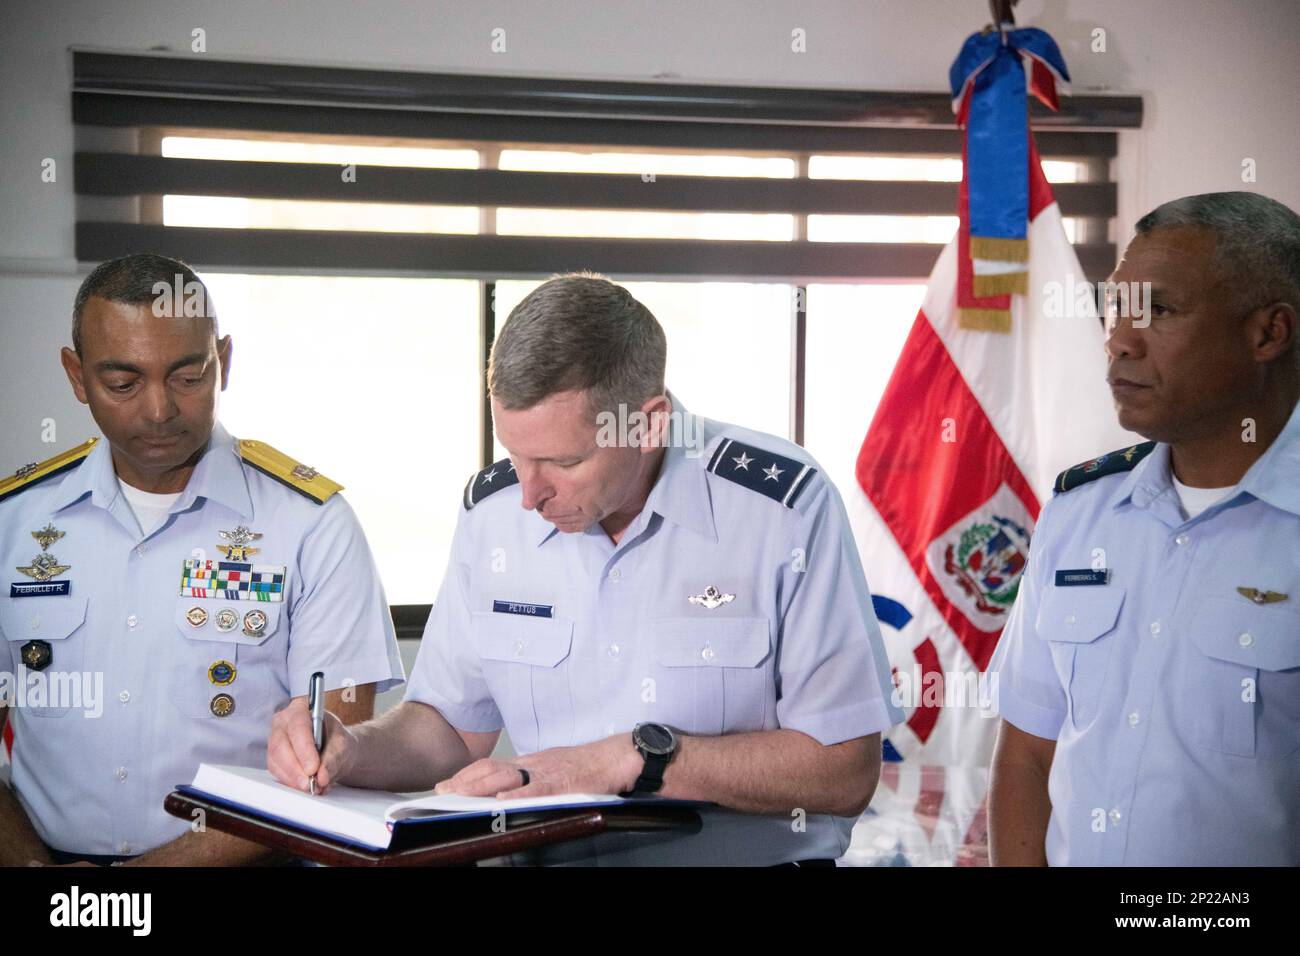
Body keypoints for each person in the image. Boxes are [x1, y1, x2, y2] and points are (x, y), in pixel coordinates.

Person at [267, 272, 902, 865]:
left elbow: (843, 771)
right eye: (514, 455)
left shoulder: (783, 509)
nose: (528, 495)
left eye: (564, 462)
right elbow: (452, 729)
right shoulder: (492, 515)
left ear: (650, 424)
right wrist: (354, 749)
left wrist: (633, 760)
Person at [0, 253, 404, 866]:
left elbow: (330, 761)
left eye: (188, 377)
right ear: (76, 377)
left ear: (225, 361)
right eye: (123, 383)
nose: (159, 409)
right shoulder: (16, 522)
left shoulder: (309, 525)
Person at [986, 192, 1300, 865]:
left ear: (1268, 333)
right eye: (1116, 310)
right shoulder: (1081, 512)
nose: (1120, 340)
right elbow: (1028, 756)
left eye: (1158, 311)